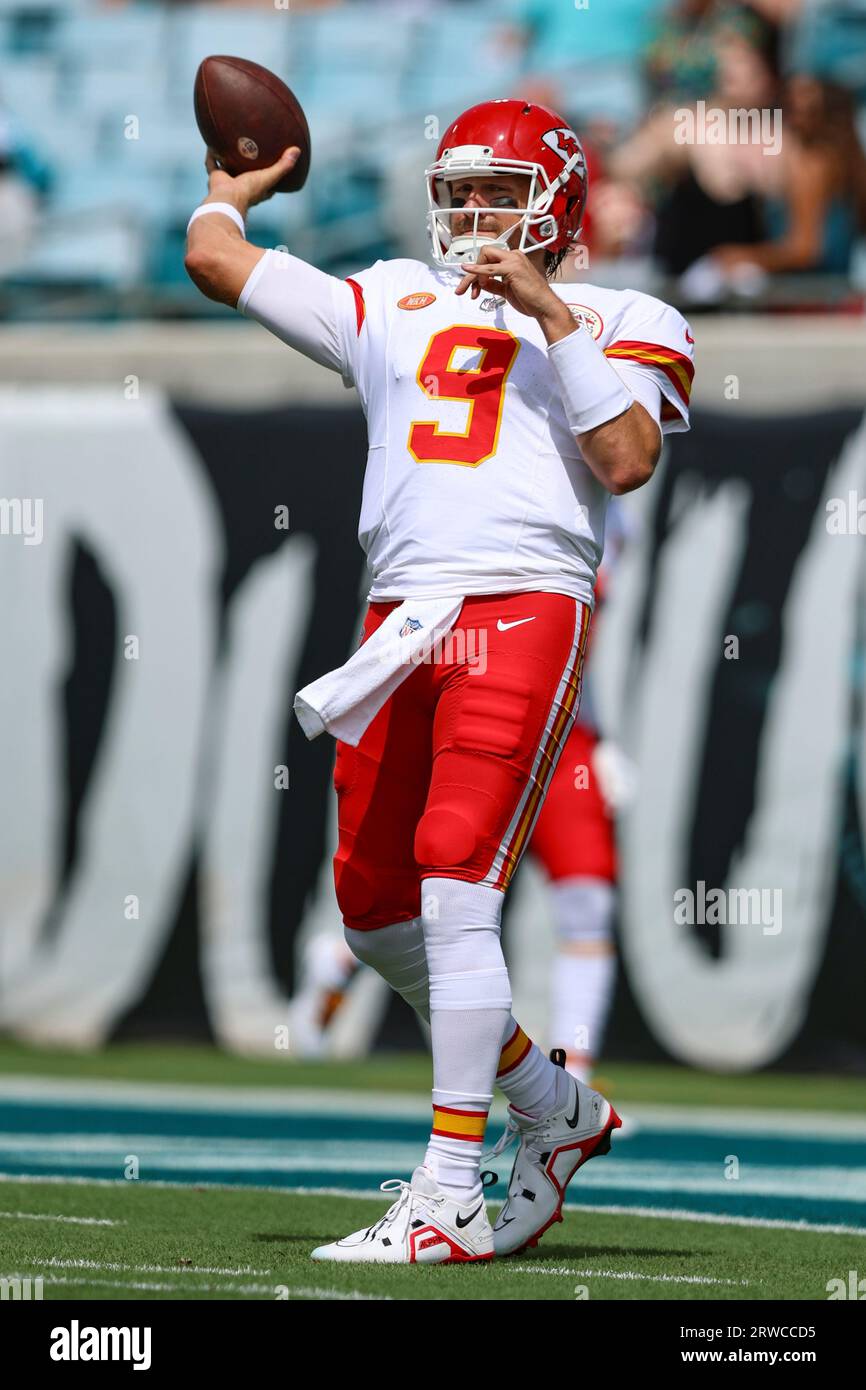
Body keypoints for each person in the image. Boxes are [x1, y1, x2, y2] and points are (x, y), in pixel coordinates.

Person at [185, 97, 694, 1265]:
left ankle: (449, 1188)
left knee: (457, 881)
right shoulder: (387, 297)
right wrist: (236, 185)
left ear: (557, 199)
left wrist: (551, 316)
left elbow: (623, 462)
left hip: (521, 603)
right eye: (458, 189)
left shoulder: (625, 313)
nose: (471, 211)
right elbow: (213, 257)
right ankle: (552, 1107)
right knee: (373, 917)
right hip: (397, 620)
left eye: (495, 189)